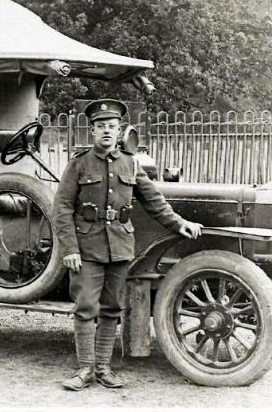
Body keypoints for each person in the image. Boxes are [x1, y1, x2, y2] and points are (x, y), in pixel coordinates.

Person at [53, 99, 202, 390]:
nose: (106, 131)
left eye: (111, 126)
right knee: (86, 307)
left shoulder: (131, 164)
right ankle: (85, 369)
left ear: (120, 130)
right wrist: (70, 248)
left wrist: (179, 222)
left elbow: (155, 201)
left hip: (120, 247)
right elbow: (62, 209)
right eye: (100, 127)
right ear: (92, 131)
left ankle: (103, 369)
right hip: (87, 248)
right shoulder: (79, 164)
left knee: (111, 308)